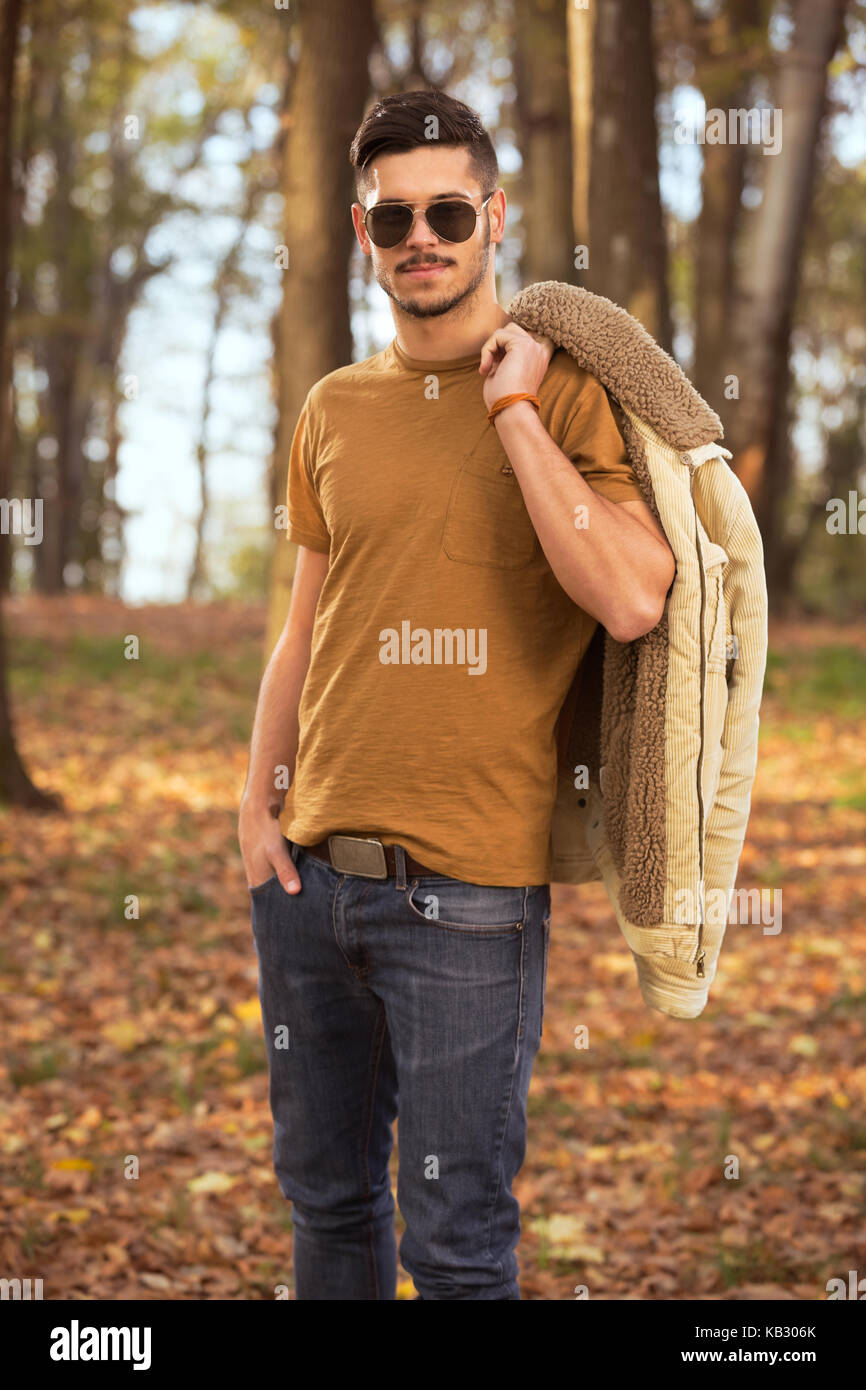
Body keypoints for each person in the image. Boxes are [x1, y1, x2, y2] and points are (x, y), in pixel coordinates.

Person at [238, 88, 675, 1301]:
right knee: (326, 1204)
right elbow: (302, 630)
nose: (419, 237)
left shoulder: (567, 394)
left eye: (446, 211)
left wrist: (513, 409)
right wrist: (256, 805)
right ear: (363, 230)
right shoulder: (333, 408)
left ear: (494, 215)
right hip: (306, 881)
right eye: (393, 217)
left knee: (457, 1248)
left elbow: (631, 597)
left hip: (468, 898)